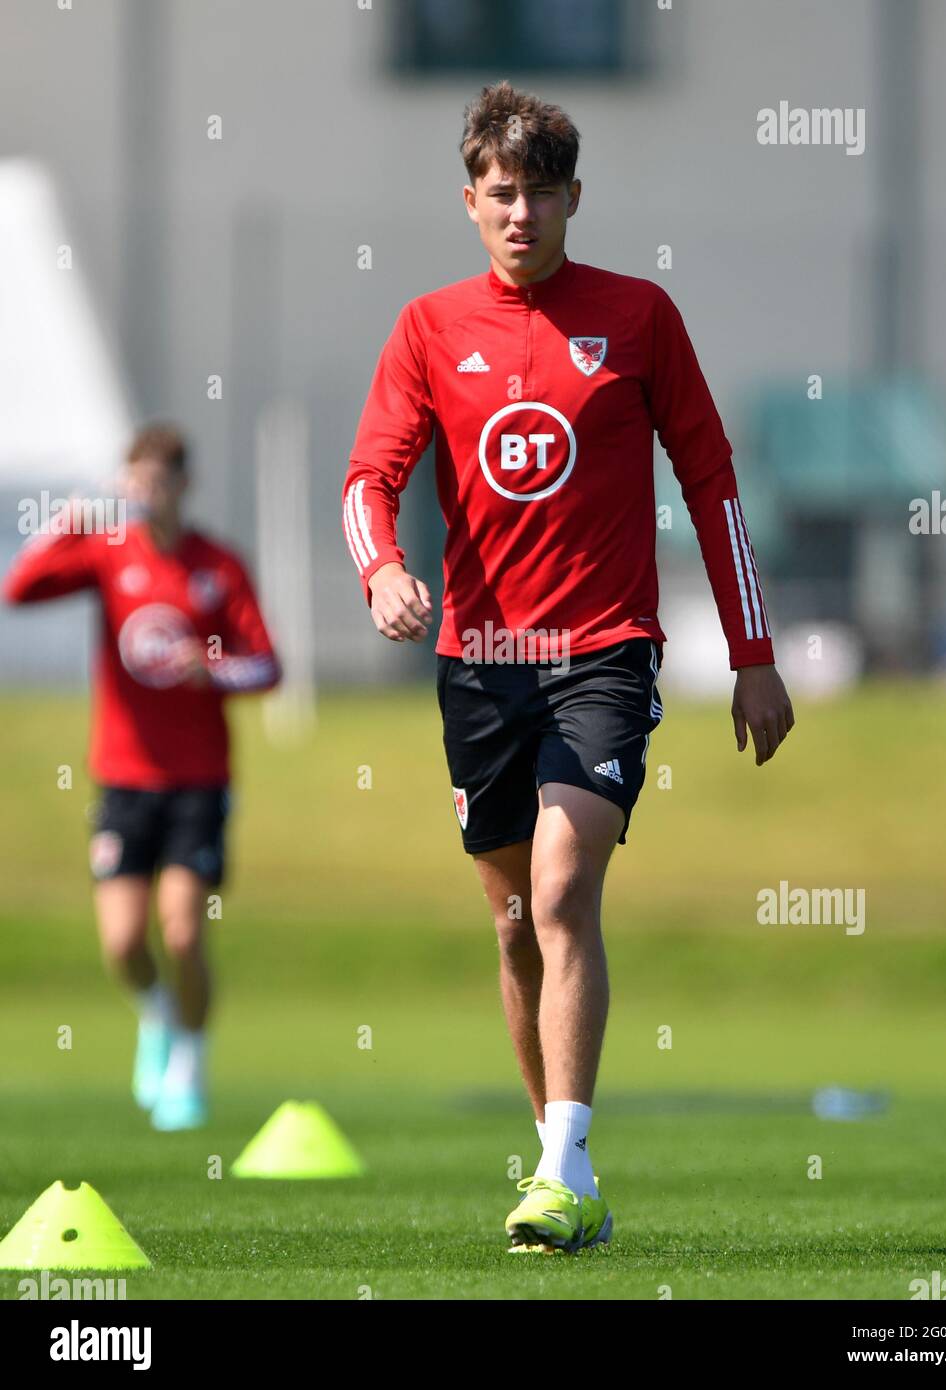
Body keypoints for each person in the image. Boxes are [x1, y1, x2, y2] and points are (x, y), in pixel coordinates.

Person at [343, 81, 794, 1251]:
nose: (521, 214)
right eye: (501, 193)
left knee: (558, 888)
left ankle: (564, 1157)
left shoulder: (639, 315)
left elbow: (713, 479)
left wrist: (753, 654)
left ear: (575, 197)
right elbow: (367, 479)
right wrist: (384, 572)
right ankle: (563, 1176)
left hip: (601, 652)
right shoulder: (428, 328)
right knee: (508, 925)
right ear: (471, 200)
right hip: (479, 663)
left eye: (542, 192)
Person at [3, 424, 281, 1131]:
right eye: (133, 483)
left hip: (198, 781)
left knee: (184, 932)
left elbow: (266, 665)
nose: (143, 497)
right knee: (124, 943)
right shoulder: (106, 552)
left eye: (155, 483)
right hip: (124, 780)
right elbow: (19, 589)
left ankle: (189, 1057)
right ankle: (159, 1015)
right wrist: (75, 516)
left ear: (182, 486)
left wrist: (209, 669)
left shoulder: (216, 564)